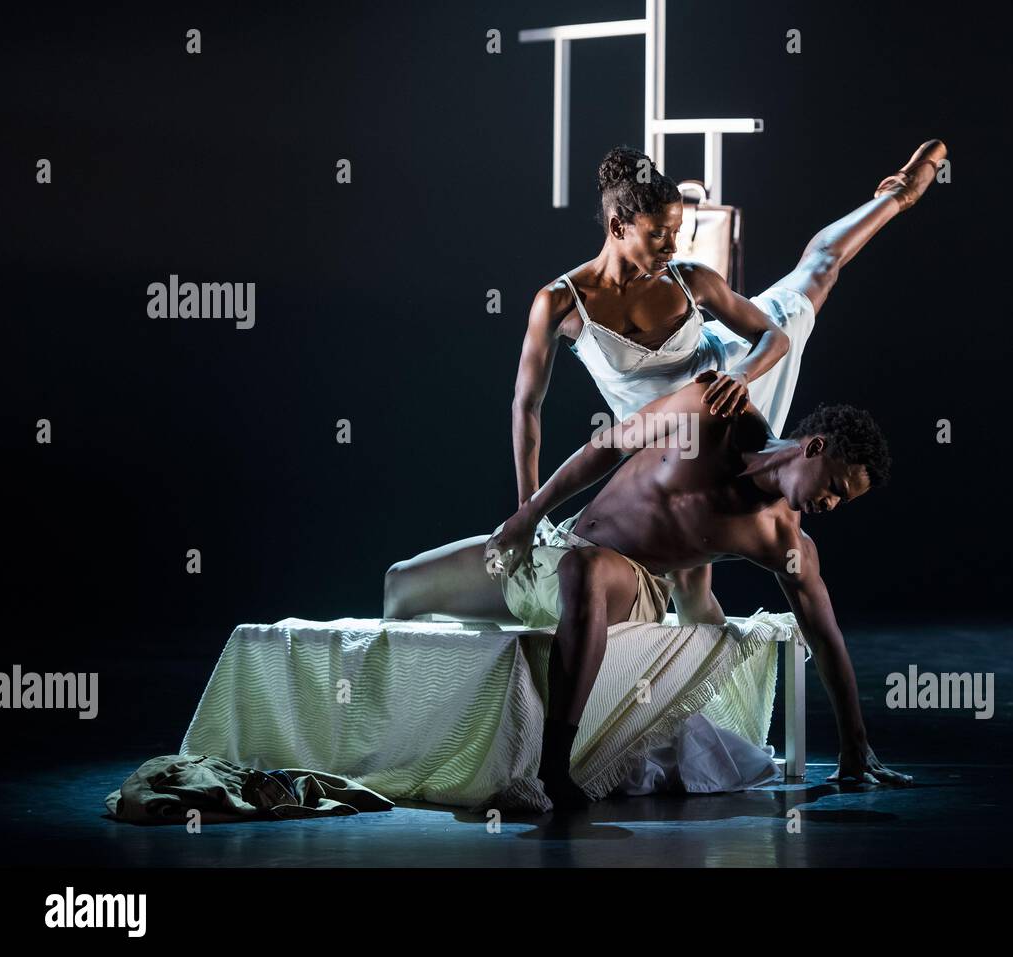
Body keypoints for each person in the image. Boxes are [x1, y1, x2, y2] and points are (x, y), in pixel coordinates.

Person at [383, 138, 946, 625]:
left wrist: (743, 378)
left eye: (678, 233)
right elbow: (526, 409)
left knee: (817, 271)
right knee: (692, 581)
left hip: (729, 392)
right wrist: (528, 509)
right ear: (617, 226)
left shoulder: (689, 279)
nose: (672, 247)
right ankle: (700, 707)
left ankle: (896, 196)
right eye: (659, 235)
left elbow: (773, 338)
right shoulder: (559, 304)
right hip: (666, 432)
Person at [385, 373, 910, 809]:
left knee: (587, 571)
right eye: (836, 488)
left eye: (844, 502)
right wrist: (529, 514)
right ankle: (394, 739)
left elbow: (826, 636)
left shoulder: (783, 540)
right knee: (401, 584)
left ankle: (554, 767)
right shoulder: (715, 410)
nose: (832, 505)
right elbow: (608, 444)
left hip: (629, 583)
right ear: (813, 448)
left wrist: (854, 746)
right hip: (555, 545)